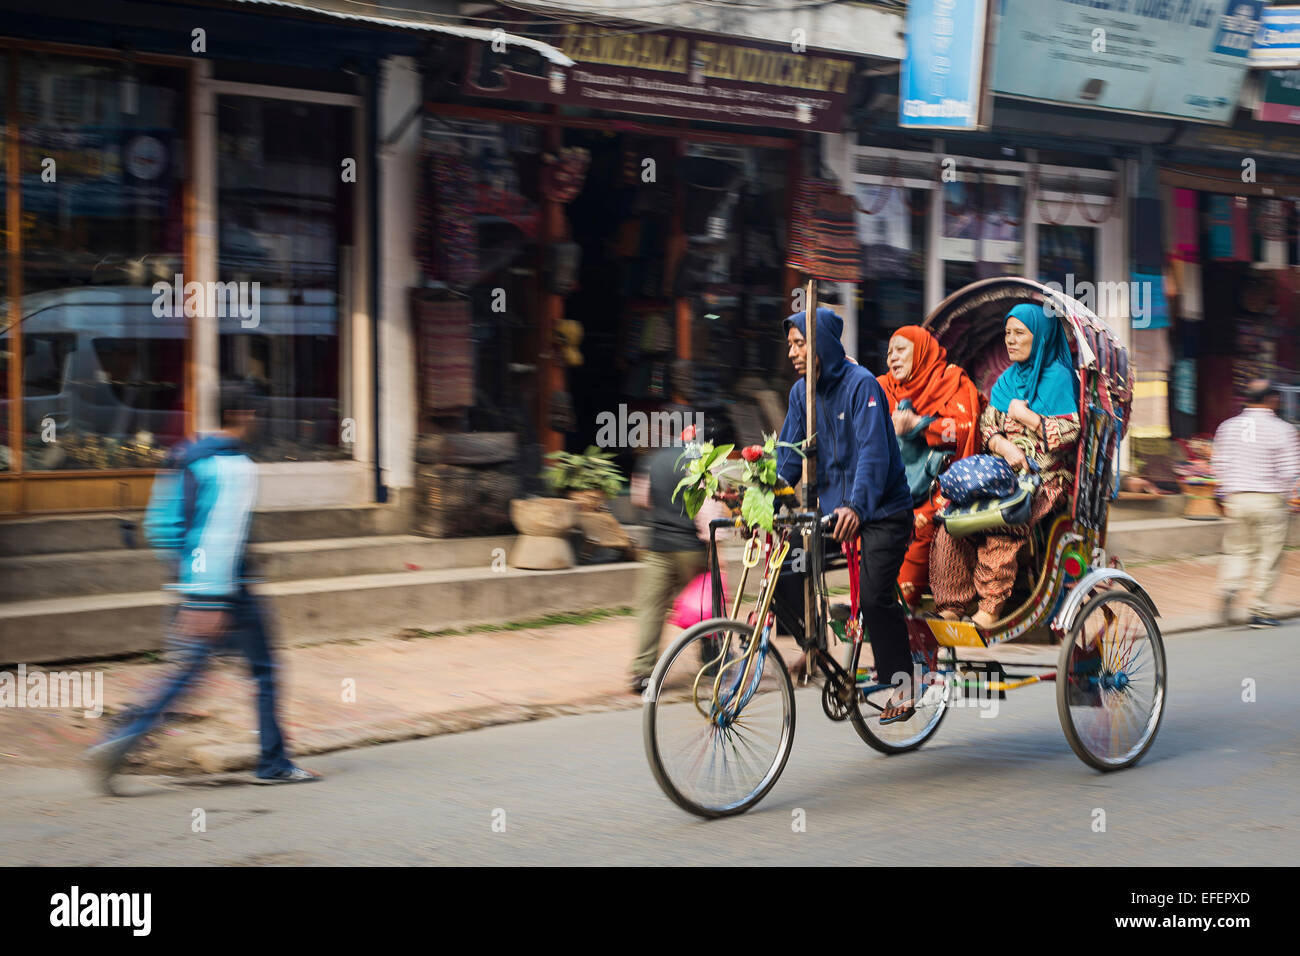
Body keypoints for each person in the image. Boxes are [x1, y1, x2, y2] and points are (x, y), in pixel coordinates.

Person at [84, 387, 320, 793]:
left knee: (188, 672)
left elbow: (161, 526)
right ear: (243, 414)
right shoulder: (233, 465)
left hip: (192, 583)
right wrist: (208, 599)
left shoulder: (186, 454)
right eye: (255, 414)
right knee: (262, 671)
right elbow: (221, 535)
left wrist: (187, 585)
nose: (258, 423)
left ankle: (119, 741)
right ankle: (273, 763)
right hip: (226, 591)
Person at [774, 307, 917, 723]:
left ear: (821, 345)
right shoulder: (801, 393)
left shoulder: (862, 386)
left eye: (799, 344)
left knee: (874, 597)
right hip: (834, 515)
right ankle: (812, 645)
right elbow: (788, 456)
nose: (792, 354)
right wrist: (764, 497)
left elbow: (873, 453)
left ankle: (902, 685)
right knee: (785, 564)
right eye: (790, 346)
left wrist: (857, 505)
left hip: (882, 513)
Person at [930, 303, 1081, 629]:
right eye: (1007, 333)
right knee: (952, 524)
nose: (1010, 340)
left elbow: (1068, 433)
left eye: (1019, 333)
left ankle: (990, 607)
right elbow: (988, 427)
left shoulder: (1058, 378)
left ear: (1039, 337)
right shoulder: (1006, 381)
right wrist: (1003, 445)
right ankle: (951, 606)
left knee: (1001, 522)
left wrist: (1025, 415)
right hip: (1000, 474)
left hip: (1045, 478)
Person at [627, 410, 739, 694]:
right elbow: (708, 512)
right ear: (690, 432)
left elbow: (640, 499)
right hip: (692, 548)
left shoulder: (650, 460)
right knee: (706, 605)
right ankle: (714, 662)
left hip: (658, 547)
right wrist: (717, 553)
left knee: (651, 609)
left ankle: (642, 673)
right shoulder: (700, 462)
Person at [877, 326, 984, 608]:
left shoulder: (951, 382)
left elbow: (964, 430)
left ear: (921, 352)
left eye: (900, 350)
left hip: (941, 488)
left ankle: (905, 612)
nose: (892, 359)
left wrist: (918, 425)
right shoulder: (882, 387)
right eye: (889, 353)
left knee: (923, 524)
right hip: (892, 489)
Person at [1211, 379, 1300, 628]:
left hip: (1237, 499)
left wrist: (1223, 494)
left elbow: (1218, 465)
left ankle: (1230, 586)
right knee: (1268, 556)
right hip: (1269, 500)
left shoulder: (1227, 427)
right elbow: (1290, 471)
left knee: (1237, 551)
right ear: (1272, 400)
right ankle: (1259, 610)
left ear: (1247, 398)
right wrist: (1287, 497)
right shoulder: (1283, 429)